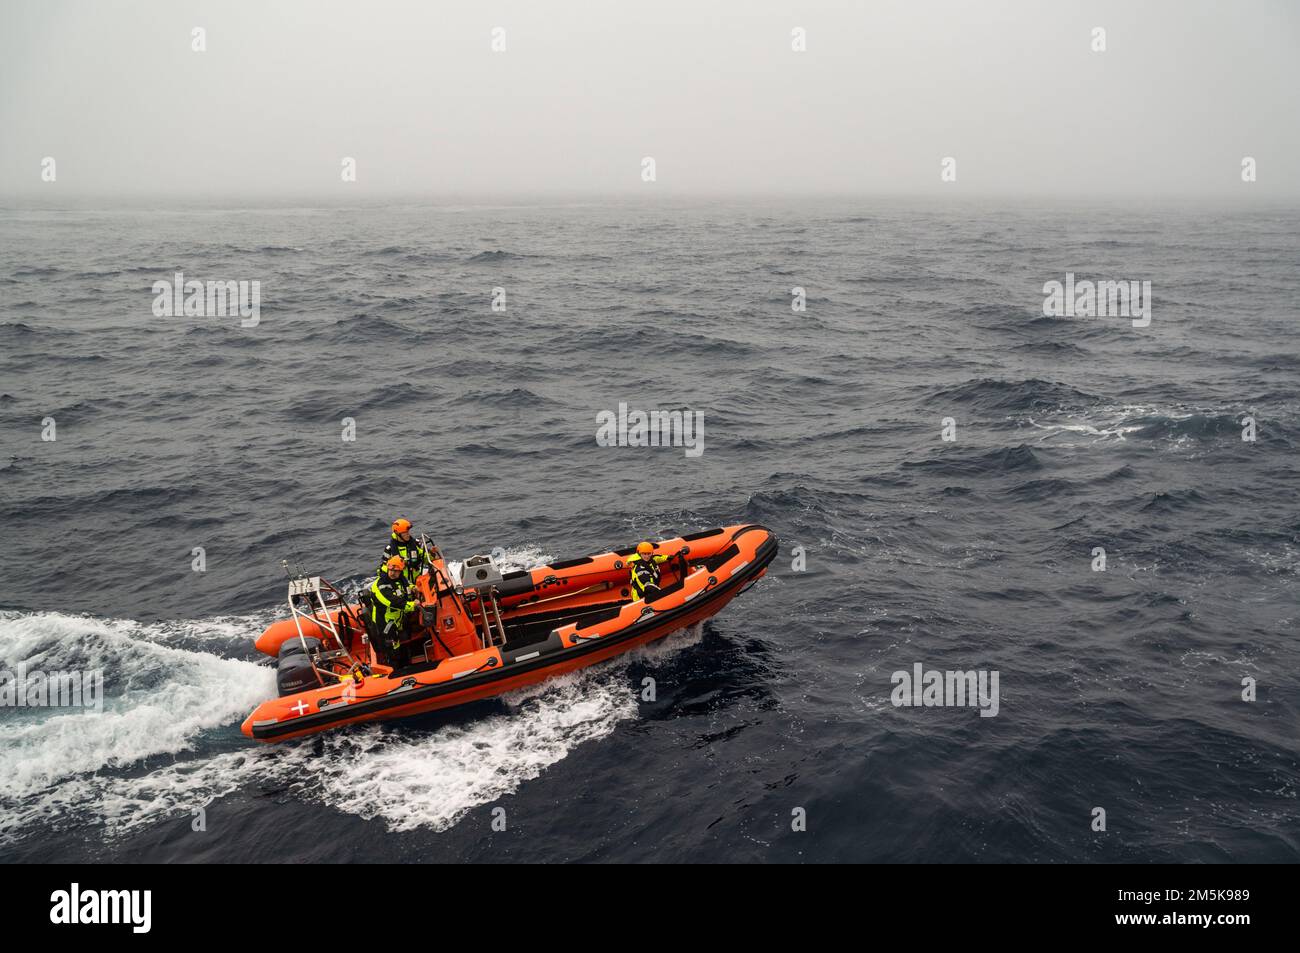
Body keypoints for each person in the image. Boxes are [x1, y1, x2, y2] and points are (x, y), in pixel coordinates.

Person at [367, 556, 420, 668]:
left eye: (396, 571)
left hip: (398, 619)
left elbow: (404, 586)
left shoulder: (399, 578)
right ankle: (397, 668)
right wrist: (412, 605)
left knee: (404, 642)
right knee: (393, 648)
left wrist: (413, 587)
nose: (392, 573)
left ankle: (406, 660)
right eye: (391, 570)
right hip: (386, 623)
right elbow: (392, 602)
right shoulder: (380, 585)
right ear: (387, 567)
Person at [378, 518, 428, 584]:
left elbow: (426, 559)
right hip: (402, 584)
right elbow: (384, 568)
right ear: (397, 534)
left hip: (417, 580)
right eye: (405, 533)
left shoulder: (416, 544)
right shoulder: (389, 549)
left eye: (408, 532)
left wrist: (432, 554)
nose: (408, 534)